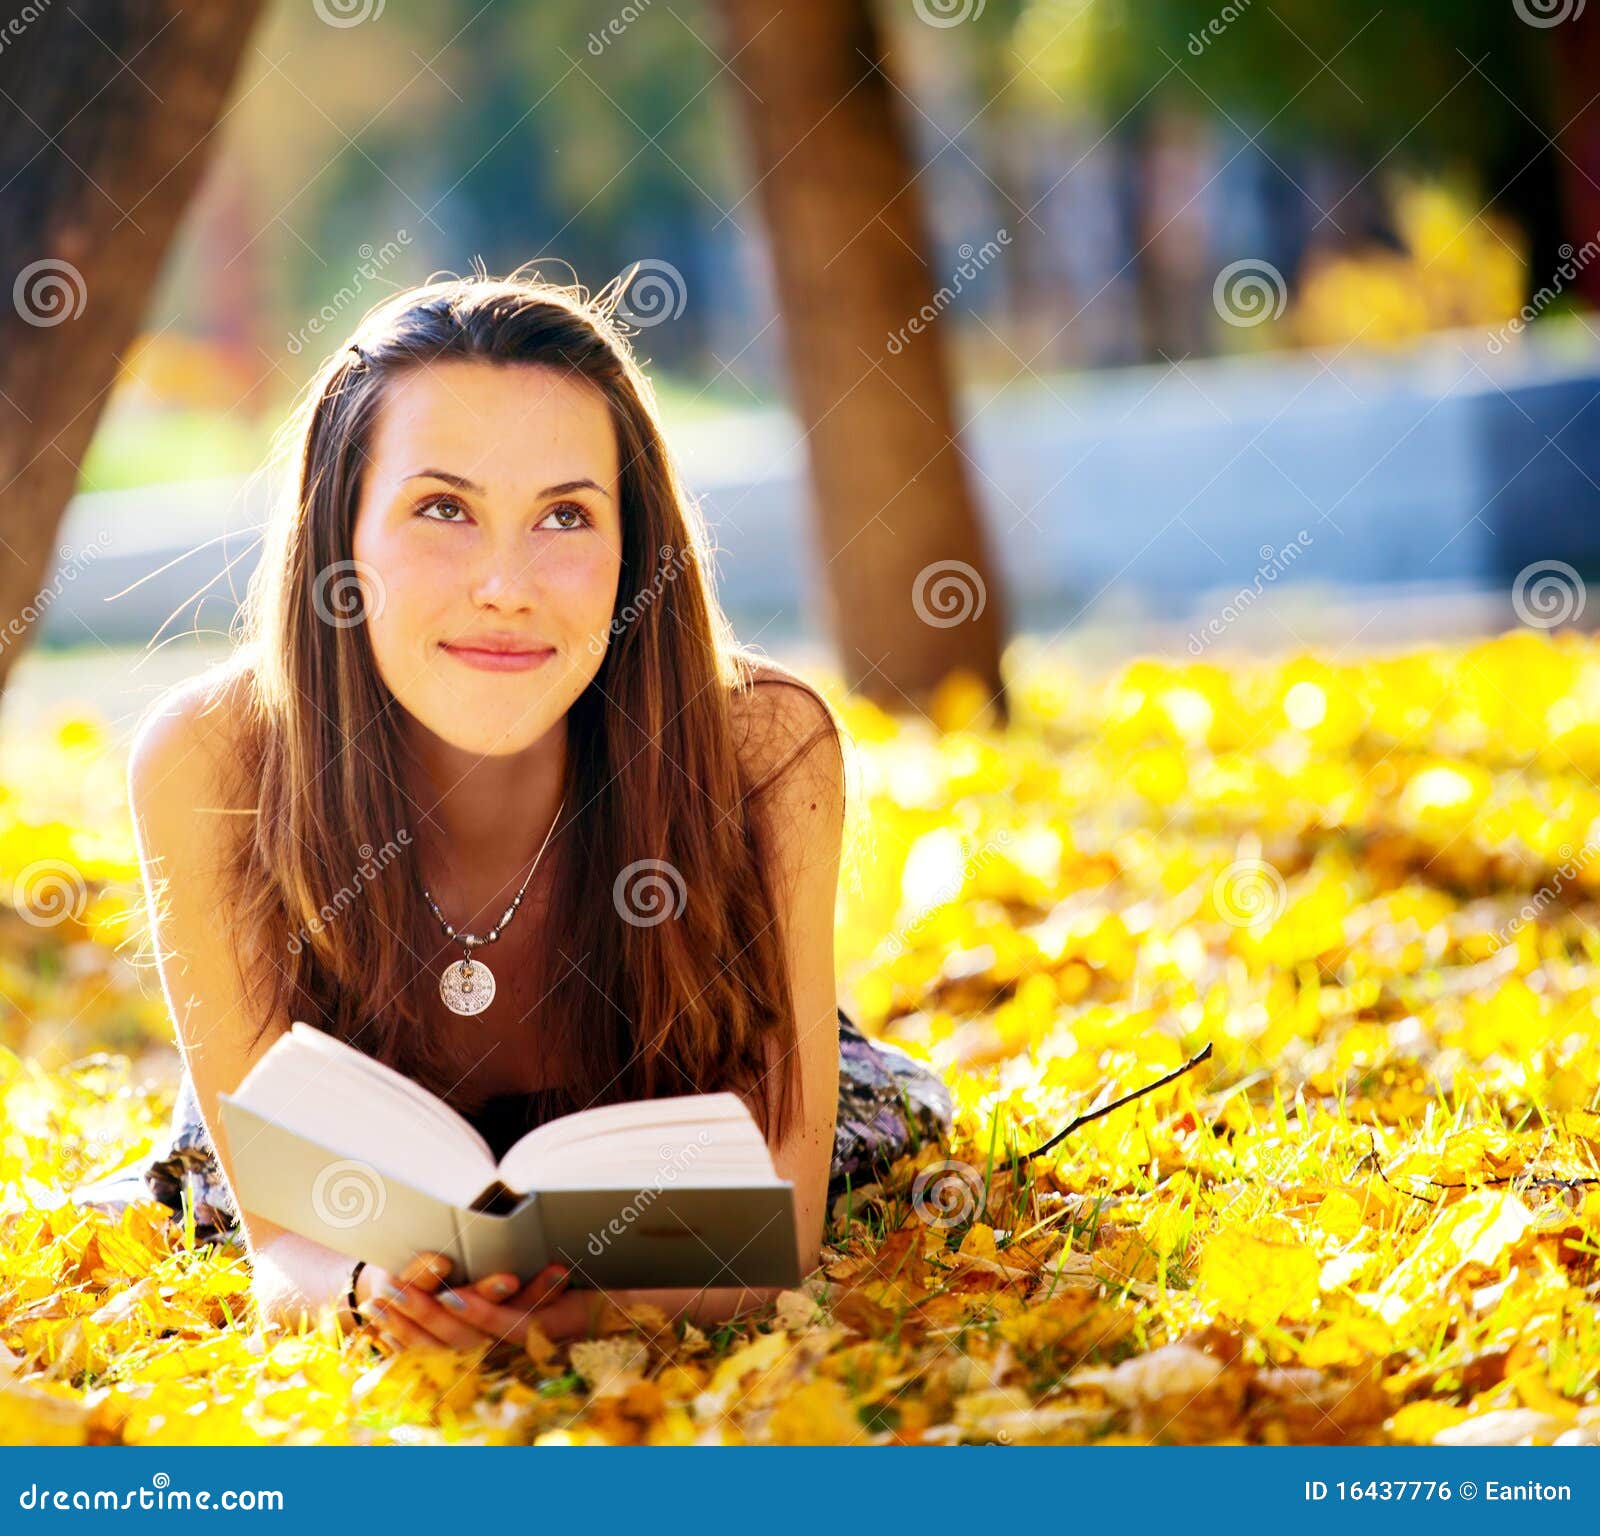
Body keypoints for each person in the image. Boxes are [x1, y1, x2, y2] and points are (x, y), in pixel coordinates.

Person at [72, 268, 951, 1355]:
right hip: (357, 1191)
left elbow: (781, 1226)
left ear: (637, 546)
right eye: (442, 508)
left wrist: (580, 1313)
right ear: (338, 535)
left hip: (671, 1159)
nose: (506, 583)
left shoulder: (766, 747)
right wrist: (363, 1294)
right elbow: (279, 1244)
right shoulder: (211, 759)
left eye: (566, 516)